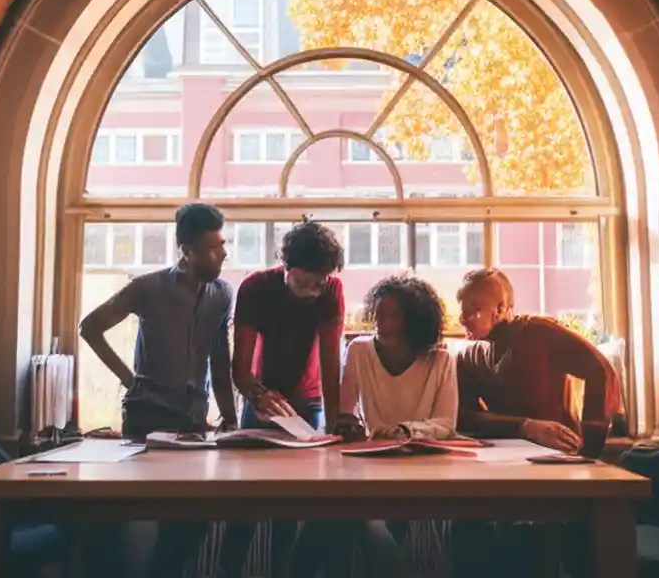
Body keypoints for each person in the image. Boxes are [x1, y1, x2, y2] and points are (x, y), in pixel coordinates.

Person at [77, 202, 238, 577]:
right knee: (121, 513)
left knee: (191, 519)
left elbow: (220, 359)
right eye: (214, 246)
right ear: (187, 249)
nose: (224, 253)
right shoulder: (147, 287)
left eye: (223, 243)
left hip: (194, 420)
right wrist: (128, 379)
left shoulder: (223, 293)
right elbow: (90, 328)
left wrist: (229, 419)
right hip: (147, 415)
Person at [451, 267, 623, 578]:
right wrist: (525, 426)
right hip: (501, 467)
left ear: (501, 309)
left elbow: (602, 372)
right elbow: (463, 416)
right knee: (467, 531)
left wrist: (590, 450)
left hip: (557, 465)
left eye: (473, 310)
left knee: (544, 548)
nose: (464, 319)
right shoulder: (470, 355)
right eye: (462, 312)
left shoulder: (538, 332)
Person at [292, 275, 458, 578]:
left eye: (392, 315)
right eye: (378, 312)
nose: (380, 321)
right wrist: (348, 426)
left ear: (414, 320)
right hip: (373, 463)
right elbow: (346, 414)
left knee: (345, 517)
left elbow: (446, 424)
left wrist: (405, 430)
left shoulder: (440, 360)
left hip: (421, 466)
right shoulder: (359, 350)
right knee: (335, 514)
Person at [219, 221, 346, 578]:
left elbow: (331, 360)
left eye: (318, 284)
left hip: (308, 404)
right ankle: (227, 570)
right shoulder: (256, 286)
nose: (311, 291)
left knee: (291, 504)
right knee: (245, 502)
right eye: (303, 282)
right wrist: (258, 393)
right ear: (286, 268)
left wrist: (334, 424)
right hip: (261, 402)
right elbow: (240, 367)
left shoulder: (331, 290)